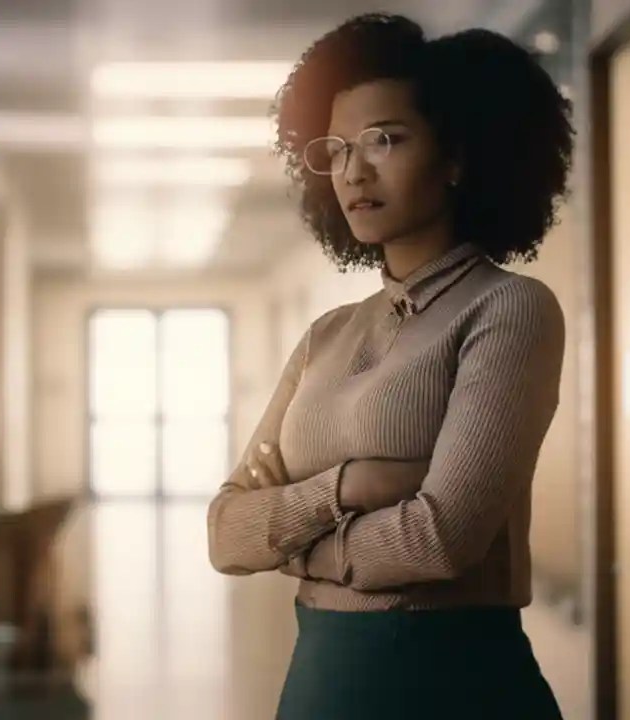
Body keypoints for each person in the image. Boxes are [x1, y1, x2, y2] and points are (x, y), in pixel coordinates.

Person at [206, 13, 573, 719]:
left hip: (452, 684)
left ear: (457, 156)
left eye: (386, 140)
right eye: (338, 149)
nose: (354, 170)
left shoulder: (508, 309)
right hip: (319, 680)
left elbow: (440, 540)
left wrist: (288, 542)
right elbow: (226, 532)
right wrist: (351, 487)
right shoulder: (326, 335)